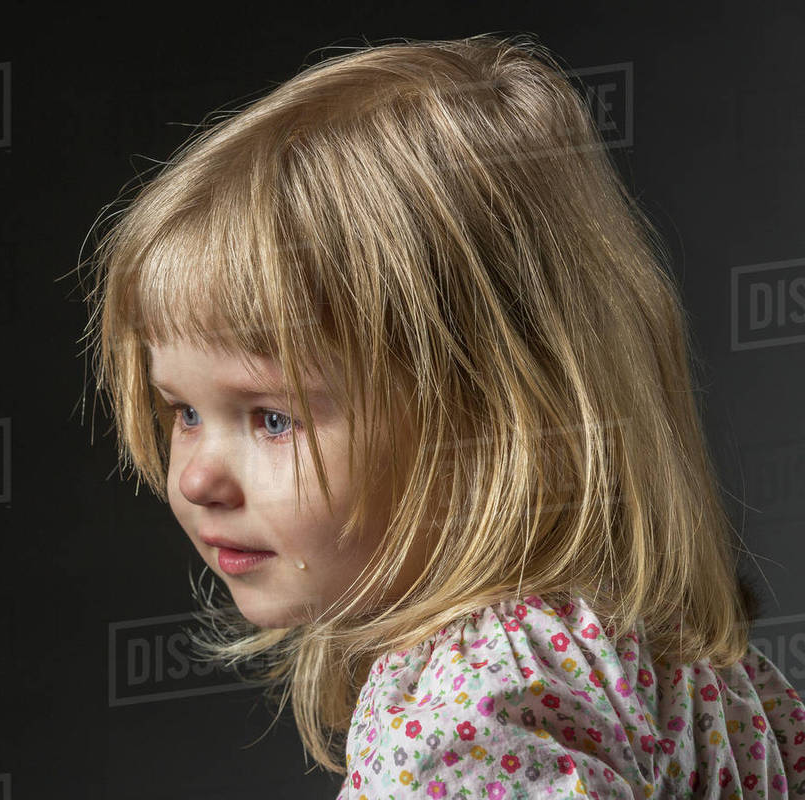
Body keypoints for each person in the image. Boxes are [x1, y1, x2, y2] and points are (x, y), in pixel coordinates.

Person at [71, 32, 805, 798]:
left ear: (488, 424)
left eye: (272, 419)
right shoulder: (667, 659)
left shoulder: (470, 719)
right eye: (184, 412)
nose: (195, 480)